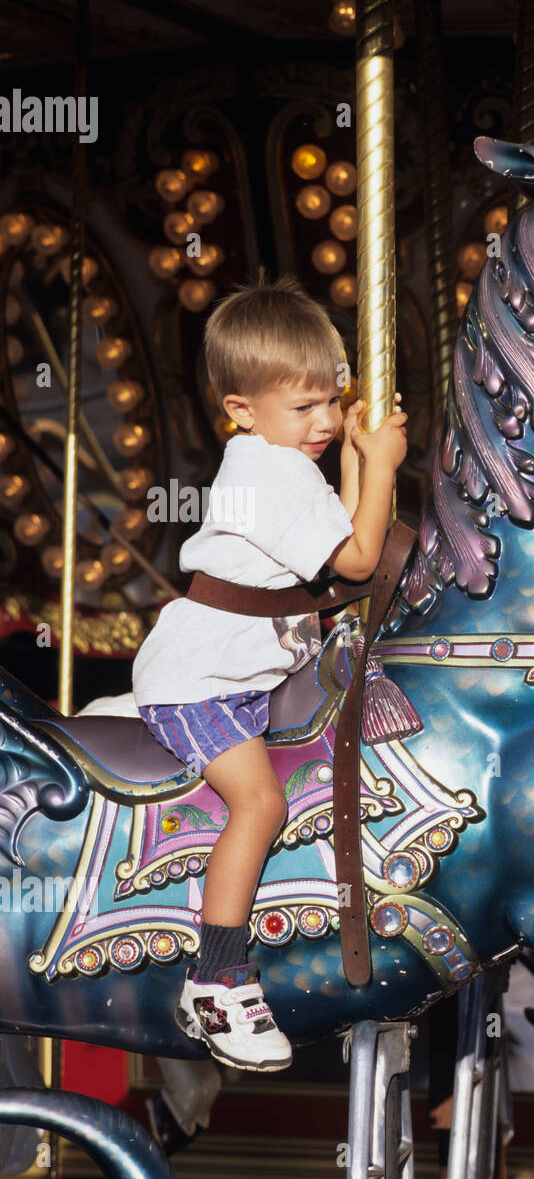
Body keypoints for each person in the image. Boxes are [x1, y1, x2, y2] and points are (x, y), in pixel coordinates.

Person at [132, 273, 407, 1071]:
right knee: (261, 799)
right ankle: (216, 978)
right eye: (304, 408)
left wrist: (357, 456)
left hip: (252, 673)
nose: (323, 422)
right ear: (242, 408)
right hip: (200, 682)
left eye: (332, 402)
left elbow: (341, 546)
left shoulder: (279, 460)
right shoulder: (265, 472)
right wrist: (383, 463)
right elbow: (358, 558)